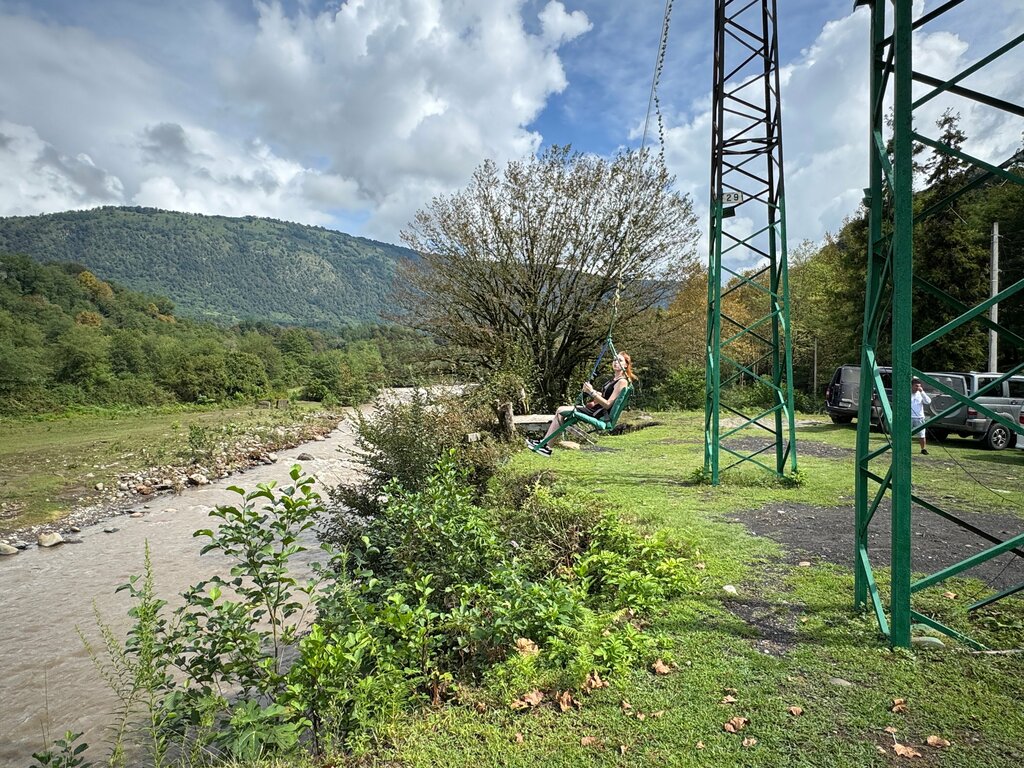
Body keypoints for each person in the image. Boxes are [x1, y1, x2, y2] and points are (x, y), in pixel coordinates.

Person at [527, 351, 637, 456]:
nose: (616, 362)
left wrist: (592, 392)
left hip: (599, 413)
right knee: (560, 412)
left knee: (560, 411)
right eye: (614, 360)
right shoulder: (614, 379)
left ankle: (546, 445)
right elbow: (604, 396)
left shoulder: (622, 382)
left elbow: (608, 404)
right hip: (596, 409)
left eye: (620, 360)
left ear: (626, 365)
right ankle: (546, 445)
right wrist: (590, 391)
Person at [911, 377, 932, 455]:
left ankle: (923, 449)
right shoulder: (907, 393)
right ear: (912, 386)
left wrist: (922, 392)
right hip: (909, 417)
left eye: (919, 386)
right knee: (906, 434)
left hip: (919, 417)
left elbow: (928, 401)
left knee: (922, 435)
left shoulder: (920, 394)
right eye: (916, 386)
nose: (918, 388)